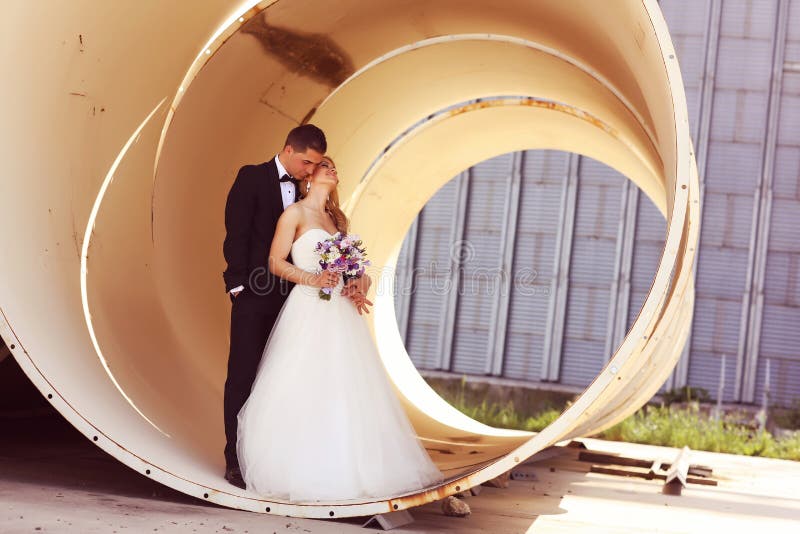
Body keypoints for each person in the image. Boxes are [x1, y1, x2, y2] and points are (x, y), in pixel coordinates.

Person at [236, 156, 444, 502]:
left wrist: (358, 285)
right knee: (305, 384)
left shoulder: (337, 220)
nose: (333, 170)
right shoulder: (295, 214)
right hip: (308, 309)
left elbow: (359, 271)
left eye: (334, 167)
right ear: (310, 175)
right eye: (326, 166)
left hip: (341, 313)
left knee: (346, 387)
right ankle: (302, 468)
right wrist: (312, 278)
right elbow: (275, 262)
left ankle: (350, 467)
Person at [221, 125, 370, 489]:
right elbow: (237, 231)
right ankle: (236, 461)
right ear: (289, 149)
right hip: (257, 296)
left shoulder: (336, 219)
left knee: (293, 382)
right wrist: (238, 286)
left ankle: (299, 458)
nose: (310, 169)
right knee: (244, 376)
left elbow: (352, 264)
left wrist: (357, 281)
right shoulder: (253, 177)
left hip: (302, 305)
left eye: (317, 165)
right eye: (307, 162)